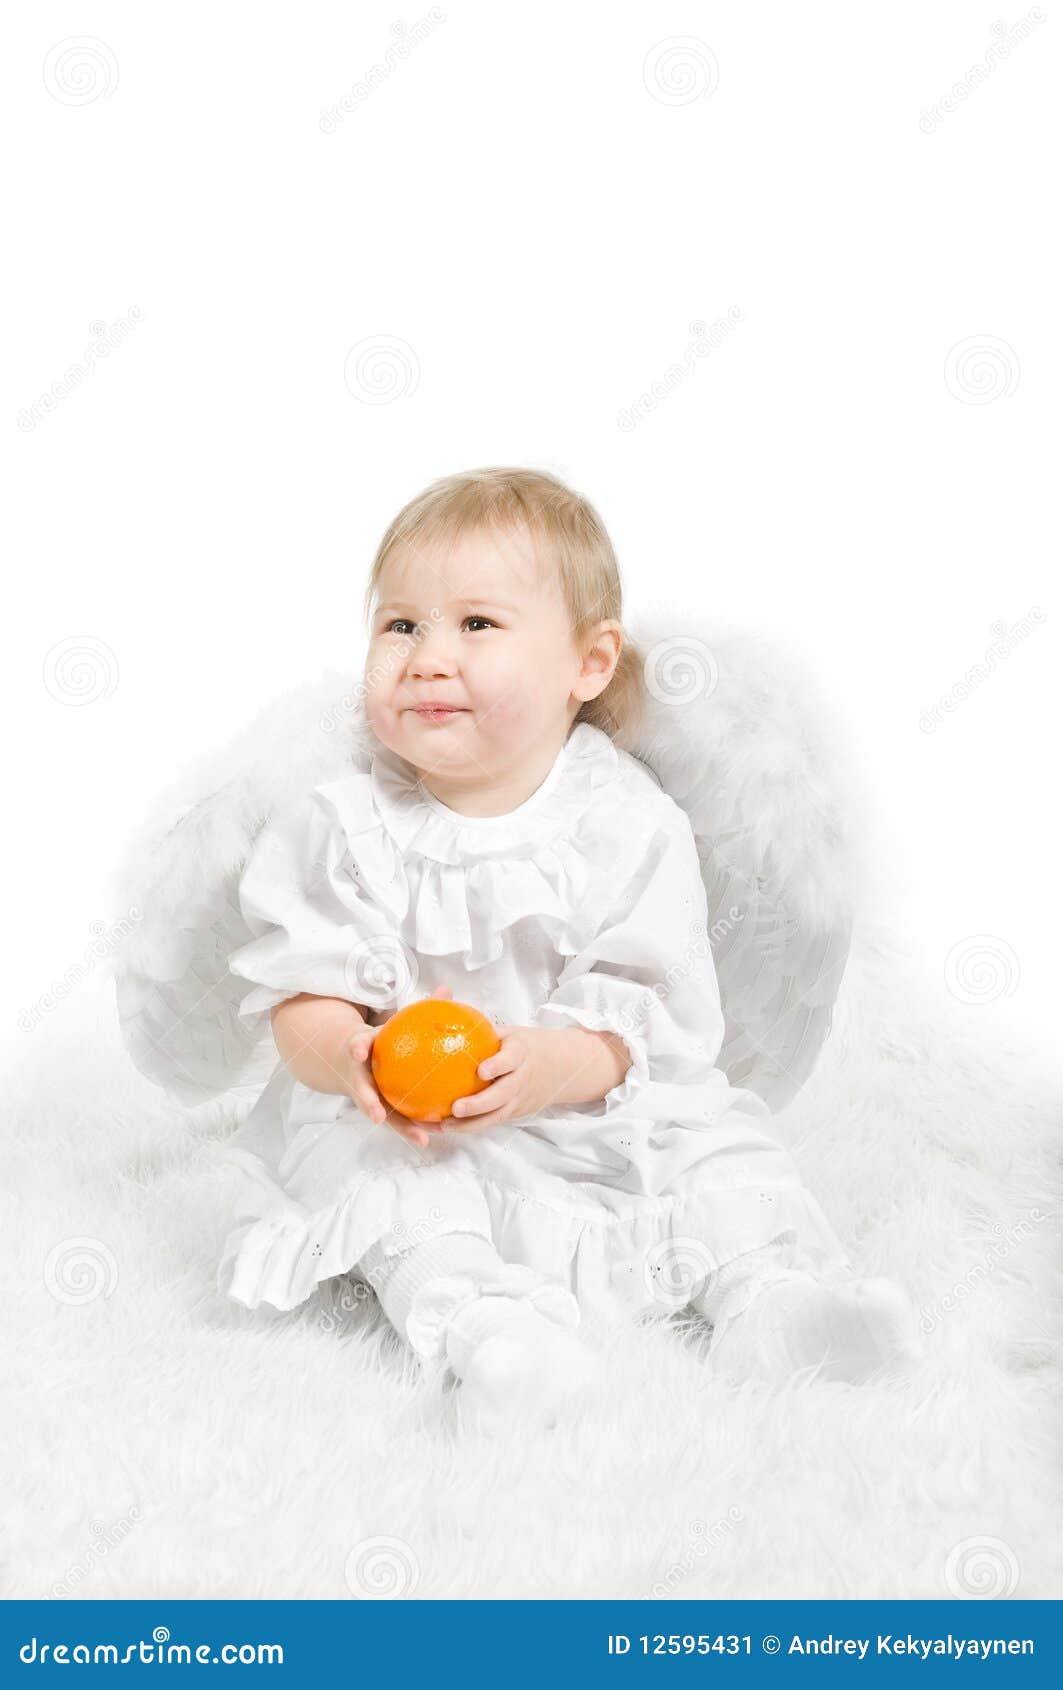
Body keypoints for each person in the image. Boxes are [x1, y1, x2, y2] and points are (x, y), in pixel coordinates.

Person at [218, 466, 923, 1431]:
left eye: (476, 624)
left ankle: (771, 1303)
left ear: (587, 665)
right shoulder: (341, 822)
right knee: (380, 1185)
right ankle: (493, 1335)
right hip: (414, 1126)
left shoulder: (625, 818)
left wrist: (553, 1064)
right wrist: (346, 1056)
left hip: (589, 1103)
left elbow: (647, 1010)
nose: (427, 658)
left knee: (715, 1149)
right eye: (400, 625)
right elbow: (301, 990)